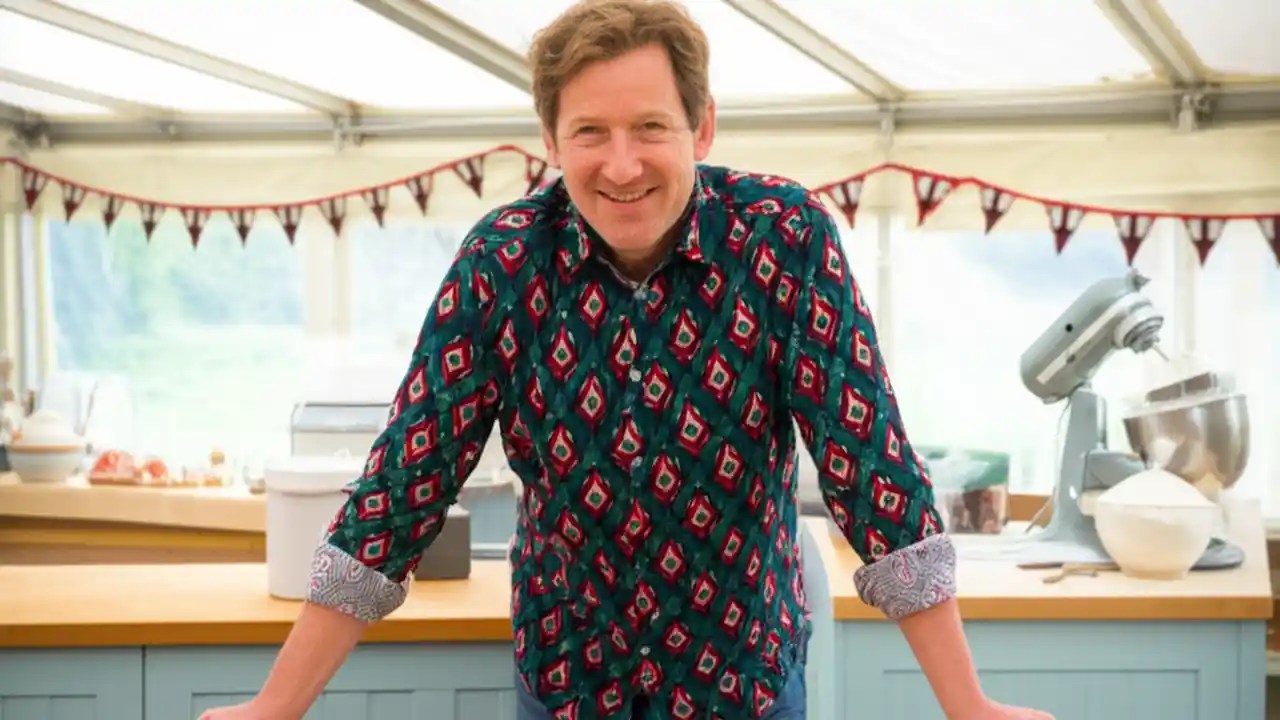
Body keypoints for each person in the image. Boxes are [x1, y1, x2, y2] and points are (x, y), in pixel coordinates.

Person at [202, 1, 1055, 718]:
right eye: (590, 132)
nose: (621, 164)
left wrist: (967, 707)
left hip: (746, 684)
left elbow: (870, 474)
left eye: (650, 127)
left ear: (702, 125)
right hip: (567, 684)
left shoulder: (785, 238)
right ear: (549, 139)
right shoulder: (502, 263)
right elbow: (400, 490)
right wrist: (273, 711)